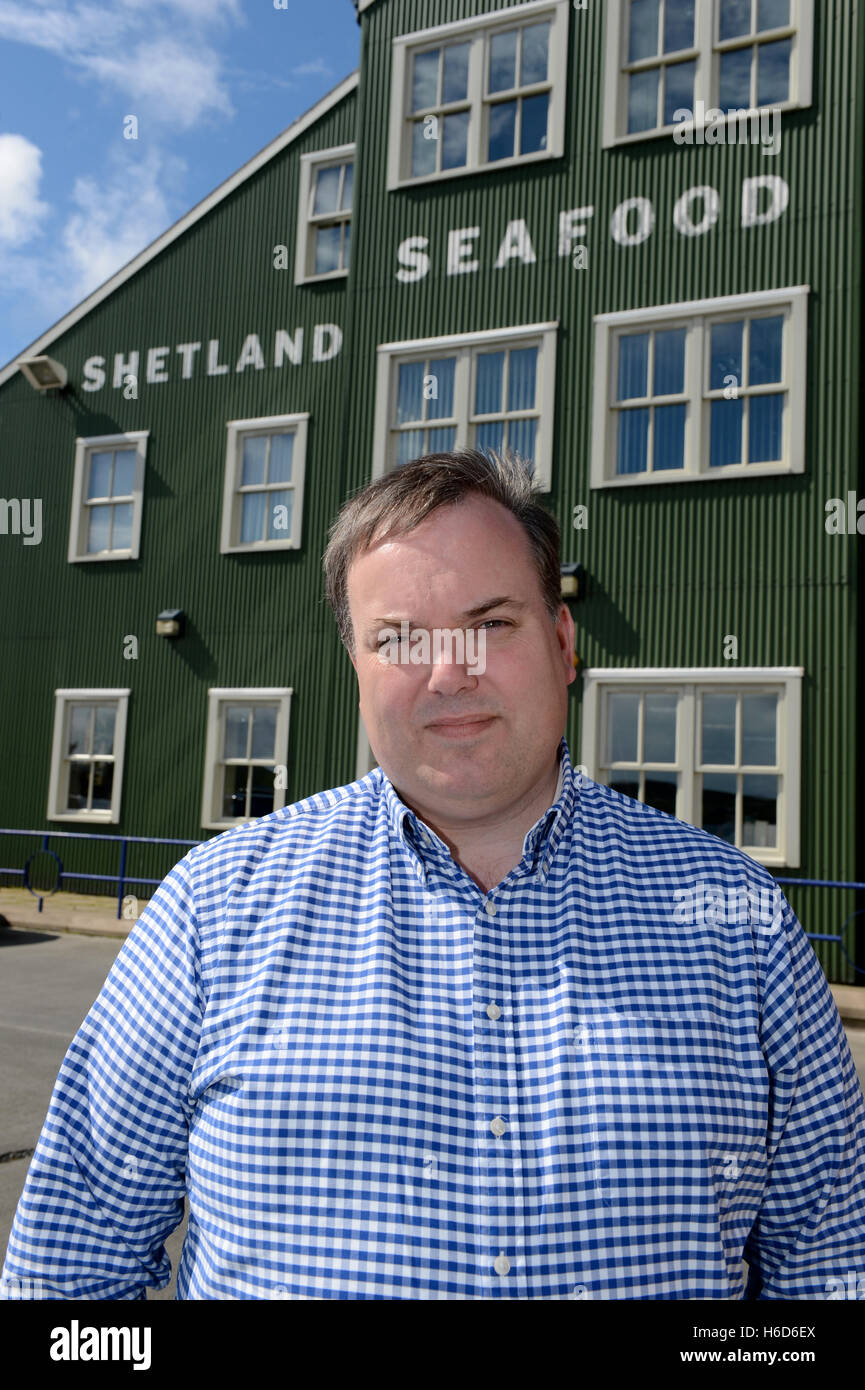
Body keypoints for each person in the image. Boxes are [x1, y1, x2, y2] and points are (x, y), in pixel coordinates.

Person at [2, 449, 864, 1301]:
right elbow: (69, 1269)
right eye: (401, 638)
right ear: (356, 668)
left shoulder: (737, 919)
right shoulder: (210, 908)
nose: (450, 673)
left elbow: (832, 1264)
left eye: (490, 624)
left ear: (562, 642)